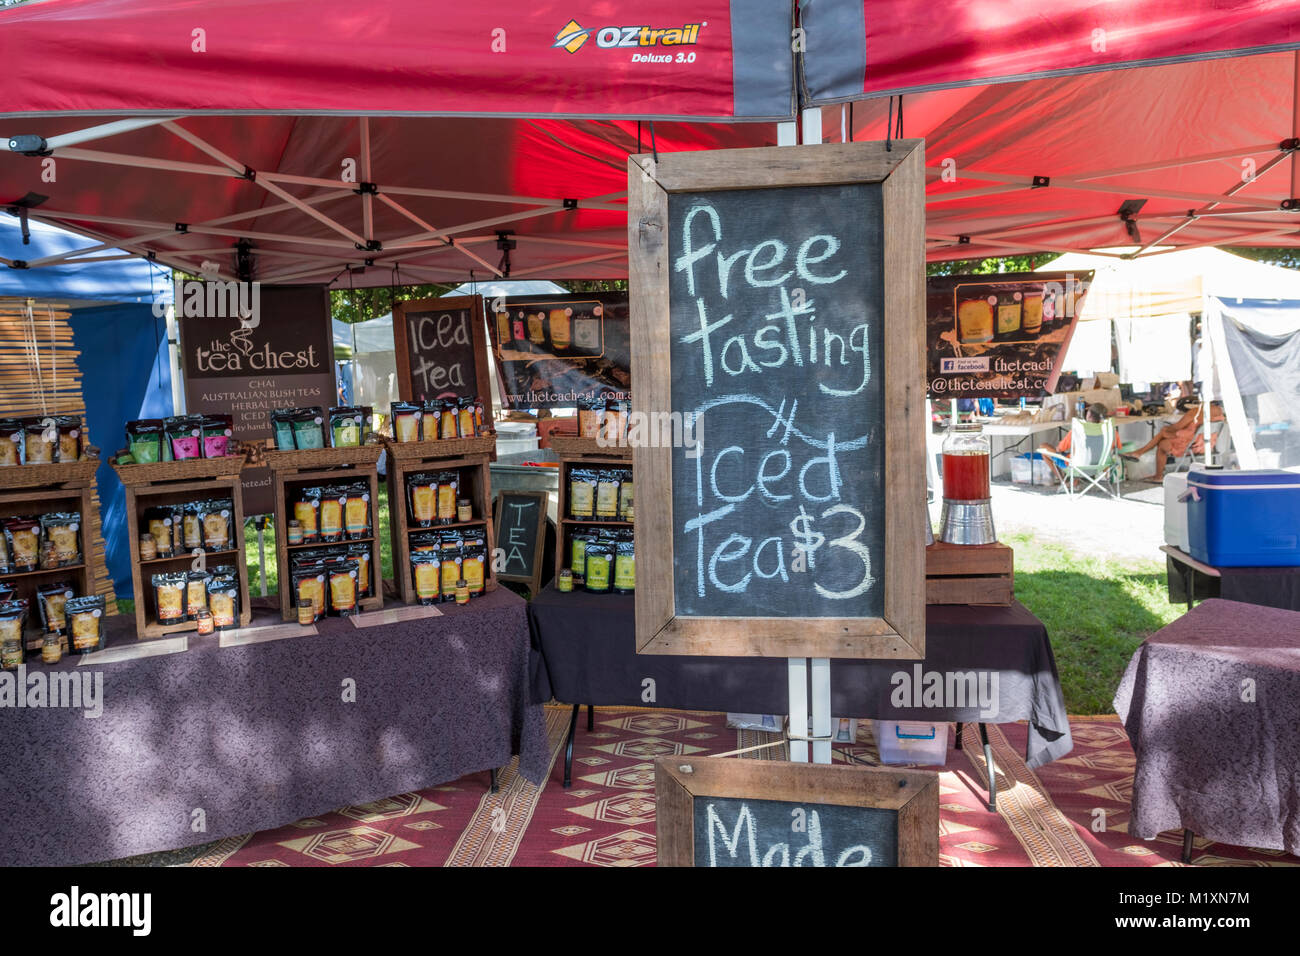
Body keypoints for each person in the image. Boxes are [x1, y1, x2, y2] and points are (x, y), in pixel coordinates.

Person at [1122, 400, 1225, 482]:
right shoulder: (1219, 411)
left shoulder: (1195, 412)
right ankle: (1139, 454)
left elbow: (1177, 427)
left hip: (1191, 446)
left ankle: (1154, 471)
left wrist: (1168, 429)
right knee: (1163, 435)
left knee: (1162, 441)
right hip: (1206, 445)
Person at [1037, 403, 1116, 482]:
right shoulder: (1109, 431)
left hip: (1077, 468)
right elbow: (1116, 447)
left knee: (1043, 447)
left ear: (1089, 414)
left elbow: (1059, 449)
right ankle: (1075, 482)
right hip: (1100, 467)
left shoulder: (1078, 430)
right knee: (1078, 454)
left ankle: (1064, 482)